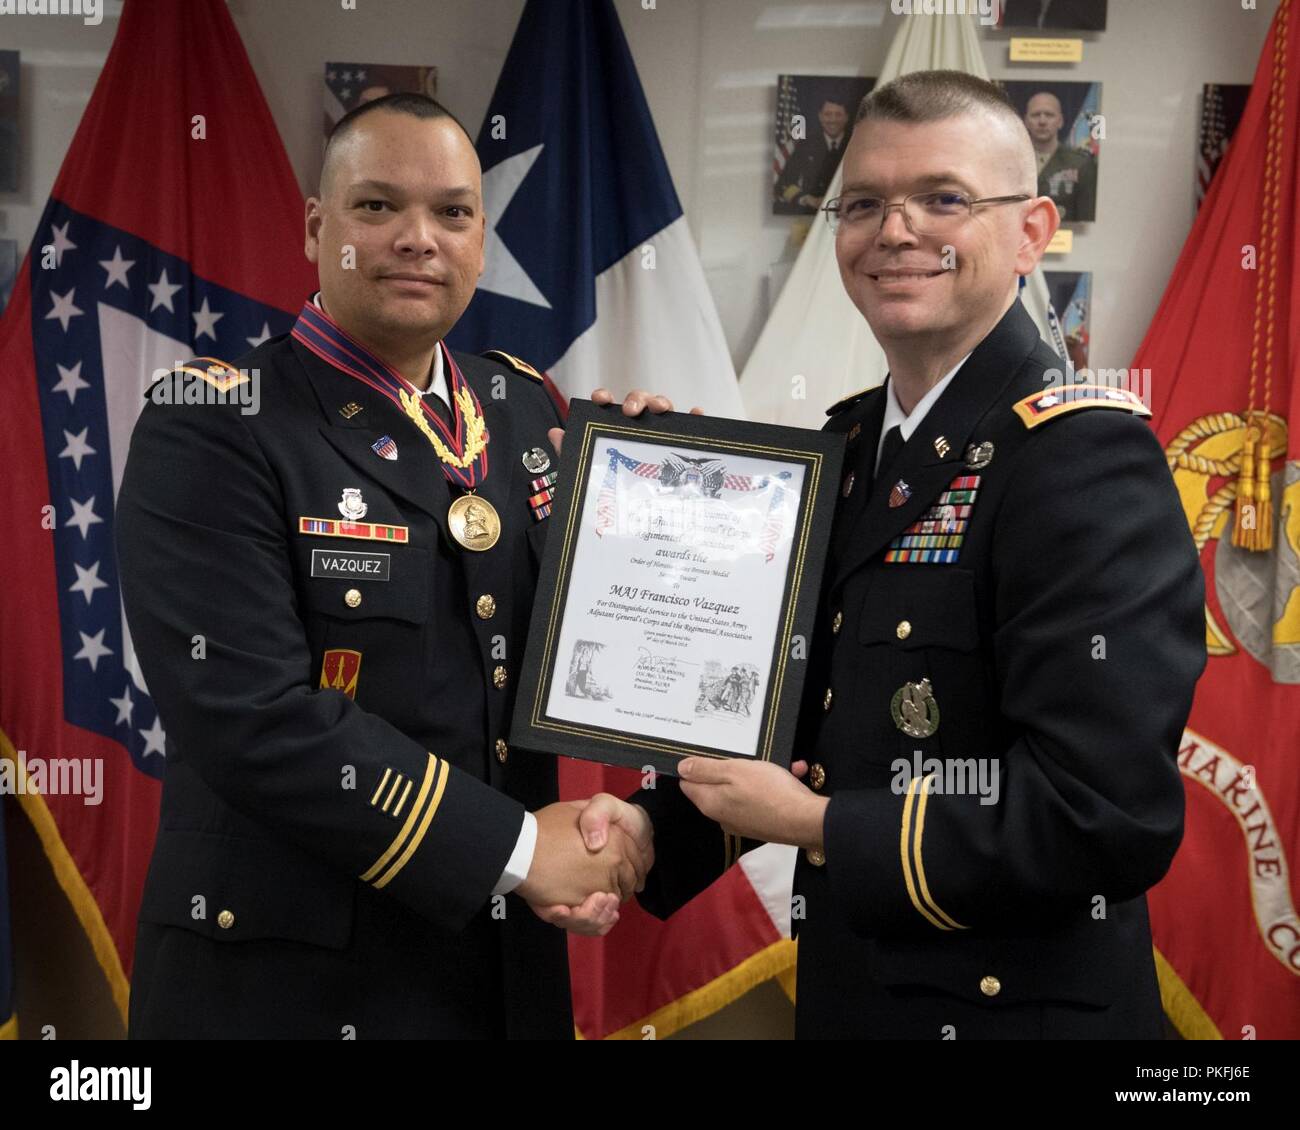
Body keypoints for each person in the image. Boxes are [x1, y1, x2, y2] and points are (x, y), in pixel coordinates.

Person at [591, 69, 1205, 1039]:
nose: (895, 230)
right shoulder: (850, 452)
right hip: (855, 999)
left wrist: (820, 826)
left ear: (1033, 230)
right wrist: (647, 825)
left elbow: (1102, 813)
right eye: (864, 202)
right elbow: (808, 724)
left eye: (943, 198)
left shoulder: (1081, 457)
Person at [117, 92, 657, 1039]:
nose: (419, 237)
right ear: (319, 229)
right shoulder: (213, 419)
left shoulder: (527, 410)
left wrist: (662, 501)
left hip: (501, 968)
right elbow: (252, 715)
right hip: (294, 981)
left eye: (452, 211)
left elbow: (587, 651)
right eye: (377, 207)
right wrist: (525, 848)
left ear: (481, 239)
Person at [1024, 91, 1097, 223]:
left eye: (1049, 115)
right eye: (1035, 115)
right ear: (1026, 121)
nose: (1042, 121)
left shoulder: (1081, 164)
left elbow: (1086, 222)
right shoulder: (1013, 163)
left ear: (1060, 121)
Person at [776, 97, 852, 213]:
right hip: (810, 214)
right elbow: (782, 185)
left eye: (838, 114)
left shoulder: (856, 145)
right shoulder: (805, 145)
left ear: (846, 117)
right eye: (828, 114)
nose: (833, 120)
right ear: (820, 117)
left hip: (847, 215)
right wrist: (806, 199)